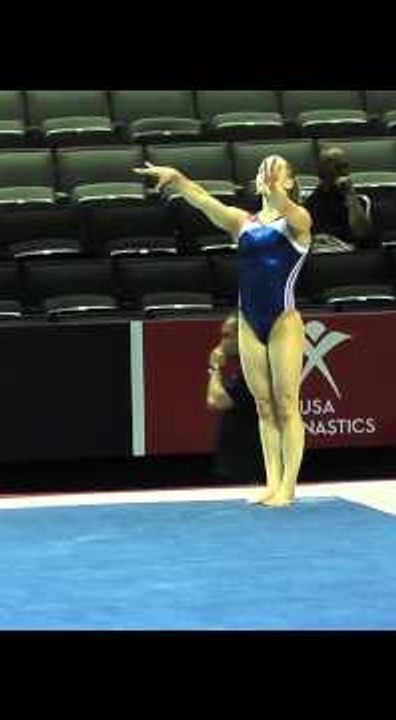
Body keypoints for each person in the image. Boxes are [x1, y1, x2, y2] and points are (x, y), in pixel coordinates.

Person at [136, 155, 312, 506]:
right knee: (264, 406)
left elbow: (287, 208)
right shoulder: (241, 222)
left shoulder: (299, 221)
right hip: (249, 320)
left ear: (289, 182)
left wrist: (277, 191)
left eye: (275, 169)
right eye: (262, 169)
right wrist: (177, 178)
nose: (266, 172)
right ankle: (272, 482)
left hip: (283, 321)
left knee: (287, 403)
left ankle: (289, 487)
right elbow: (204, 200)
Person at [206, 312, 265, 486]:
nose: (222, 343)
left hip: (249, 466)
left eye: (227, 336)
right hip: (240, 464)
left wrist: (215, 367)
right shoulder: (246, 366)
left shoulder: (253, 368)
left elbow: (215, 401)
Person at [305, 147, 375, 249]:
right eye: (337, 168)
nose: (344, 172)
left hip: (351, 252)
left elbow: (362, 232)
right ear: (322, 172)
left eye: (345, 166)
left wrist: (350, 195)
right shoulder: (311, 203)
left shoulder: (359, 200)